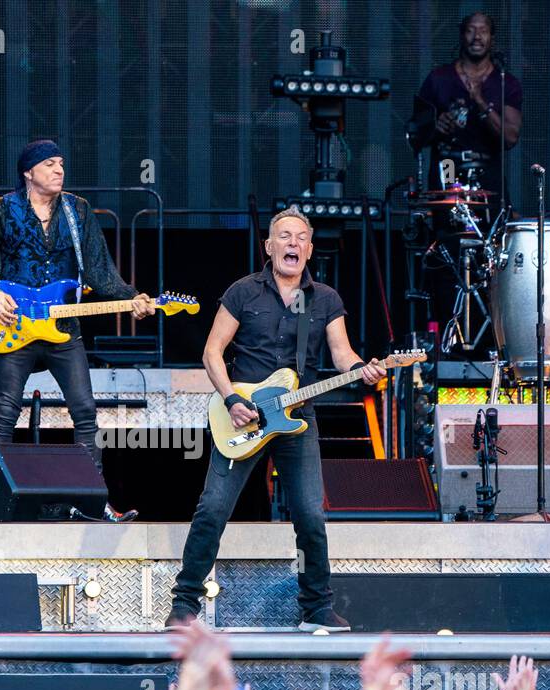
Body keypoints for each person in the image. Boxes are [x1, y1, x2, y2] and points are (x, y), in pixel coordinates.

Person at [166, 208, 386, 632]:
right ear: (268, 246)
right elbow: (212, 352)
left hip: (296, 417)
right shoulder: (243, 292)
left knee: (309, 515)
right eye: (284, 236)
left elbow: (342, 356)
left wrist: (366, 367)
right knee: (212, 508)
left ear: (309, 248)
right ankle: (184, 606)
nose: (292, 244)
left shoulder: (324, 299)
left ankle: (316, 608)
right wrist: (231, 399)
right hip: (244, 415)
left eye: (301, 237)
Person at [0, 139, 154, 522]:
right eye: (49, 164)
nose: (59, 170)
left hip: (63, 327)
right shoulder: (1, 211)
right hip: (13, 326)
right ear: (28, 172)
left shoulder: (77, 211)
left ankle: (94, 504)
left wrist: (131, 298)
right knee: (6, 413)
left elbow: (98, 269)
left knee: (85, 412)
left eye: (61, 163)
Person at [409, 11, 522, 212]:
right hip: (448, 164)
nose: (477, 37)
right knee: (449, 225)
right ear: (462, 36)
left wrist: (480, 102)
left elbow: (511, 138)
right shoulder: (438, 78)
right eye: (470, 31)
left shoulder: (506, 82)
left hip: (487, 166)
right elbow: (414, 133)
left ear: (491, 39)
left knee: (490, 232)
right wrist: (436, 127)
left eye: (483, 31)